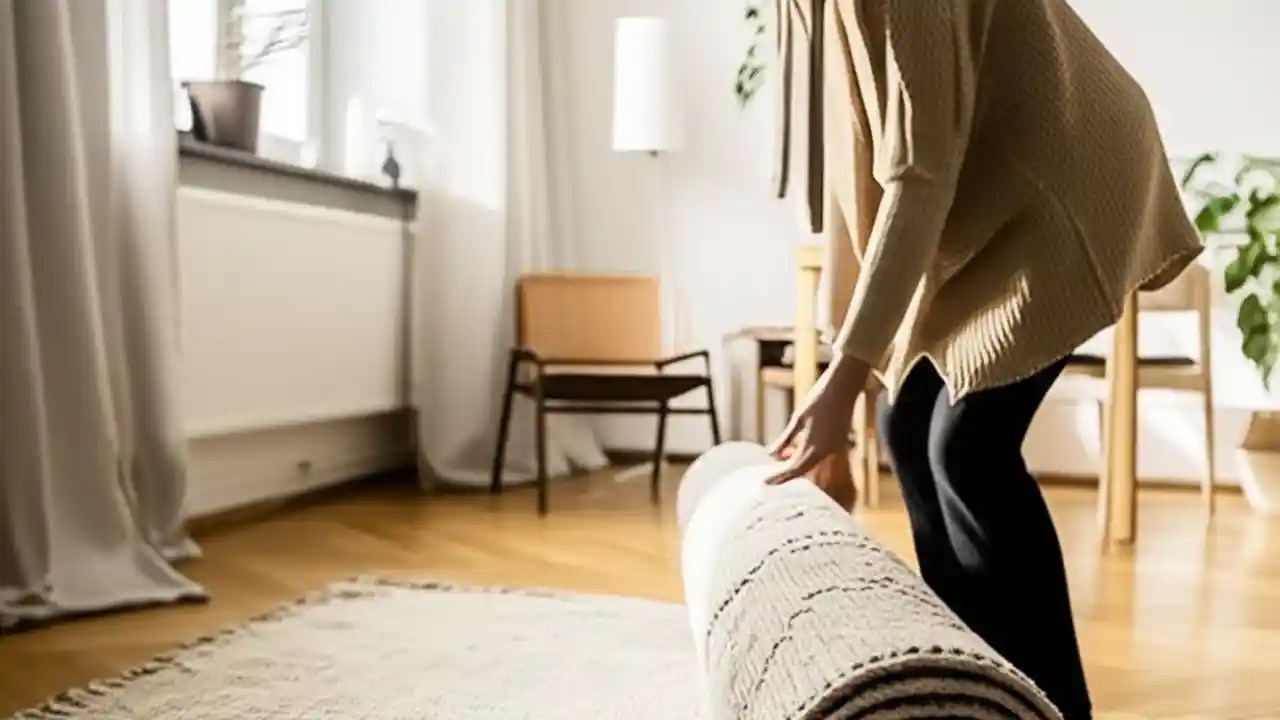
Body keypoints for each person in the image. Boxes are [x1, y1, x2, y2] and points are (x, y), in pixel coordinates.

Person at [762, 1, 1204, 718]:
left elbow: (919, 174)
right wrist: (853, 365)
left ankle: (1055, 707)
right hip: (988, 188)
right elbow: (858, 168)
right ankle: (973, 692)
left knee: (967, 447)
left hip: (1067, 177)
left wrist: (839, 381)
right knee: (903, 423)